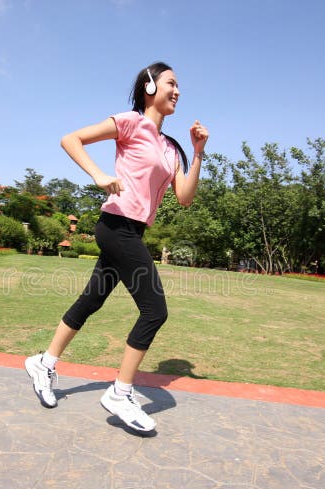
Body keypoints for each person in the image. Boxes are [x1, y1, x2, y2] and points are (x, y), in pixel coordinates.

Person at [25, 61, 209, 433]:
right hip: (115, 224)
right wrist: (98, 175)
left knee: (91, 300)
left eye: (179, 87)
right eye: (171, 83)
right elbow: (70, 139)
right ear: (150, 87)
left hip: (133, 231)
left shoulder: (171, 148)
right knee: (155, 310)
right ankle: (120, 393)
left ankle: (44, 361)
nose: (177, 91)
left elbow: (185, 197)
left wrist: (199, 152)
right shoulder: (130, 122)